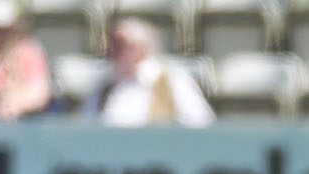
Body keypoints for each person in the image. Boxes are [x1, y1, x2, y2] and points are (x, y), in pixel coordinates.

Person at [82, 19, 215, 127]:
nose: (113, 52)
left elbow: (202, 126)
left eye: (122, 45)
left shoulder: (174, 83)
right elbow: (85, 128)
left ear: (143, 48)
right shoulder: (104, 89)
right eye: (113, 46)